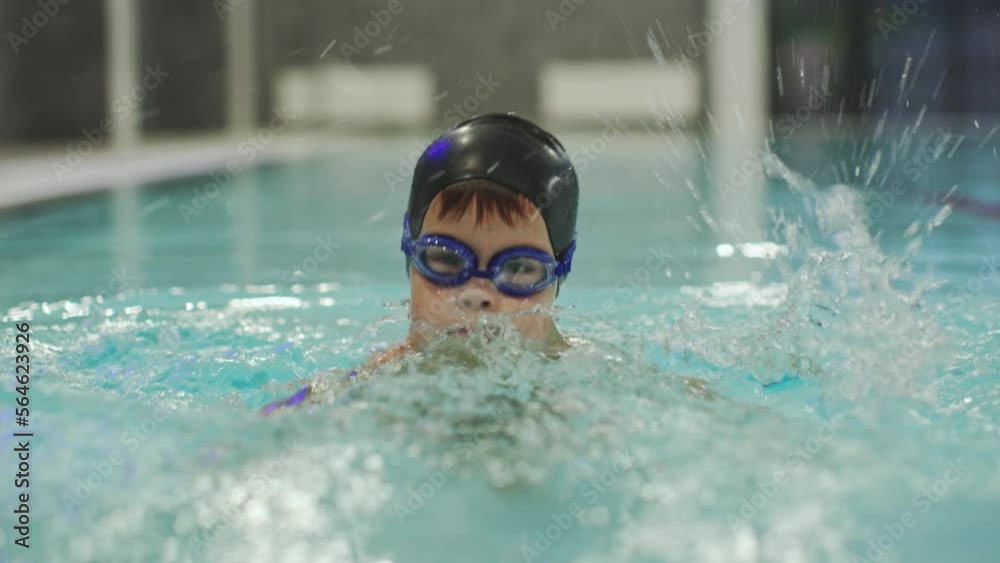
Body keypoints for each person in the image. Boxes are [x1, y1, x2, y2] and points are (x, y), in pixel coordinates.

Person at [262, 113, 579, 413]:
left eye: (519, 269)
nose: (476, 295)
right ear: (410, 256)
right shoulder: (369, 384)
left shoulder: (583, 378)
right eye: (446, 259)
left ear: (559, 273)